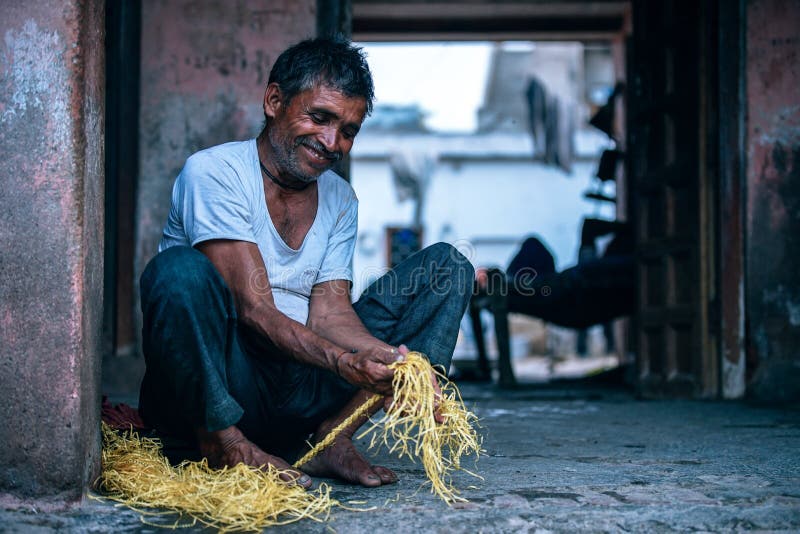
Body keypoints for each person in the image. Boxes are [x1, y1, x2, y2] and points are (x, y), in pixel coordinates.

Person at [137, 38, 473, 489]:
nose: (332, 142)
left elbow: (330, 312)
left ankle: (331, 437)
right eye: (320, 118)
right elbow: (254, 310)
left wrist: (386, 357)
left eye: (349, 130)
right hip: (227, 383)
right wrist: (342, 362)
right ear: (274, 100)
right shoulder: (215, 172)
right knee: (177, 272)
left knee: (449, 267)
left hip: (298, 388)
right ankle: (224, 442)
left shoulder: (339, 198)